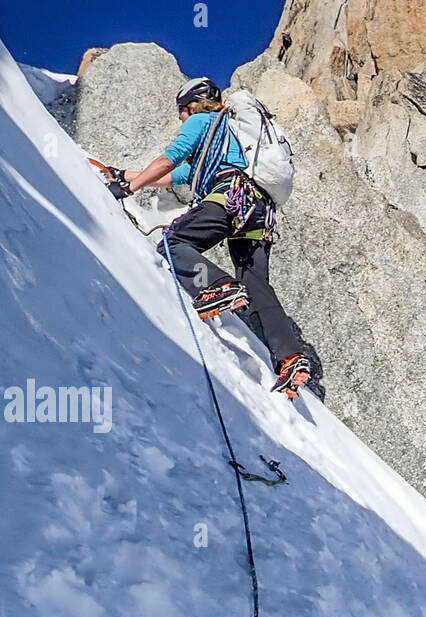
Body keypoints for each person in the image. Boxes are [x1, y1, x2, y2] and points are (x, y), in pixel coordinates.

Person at [109, 77, 325, 401]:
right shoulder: (224, 137)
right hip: (259, 212)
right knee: (257, 285)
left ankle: (215, 285)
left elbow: (171, 158)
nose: (181, 118)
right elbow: (177, 176)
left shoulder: (201, 121)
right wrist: (126, 174)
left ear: (191, 104)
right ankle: (291, 358)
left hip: (230, 197)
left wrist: (129, 188)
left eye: (181, 111)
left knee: (174, 243)